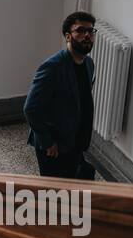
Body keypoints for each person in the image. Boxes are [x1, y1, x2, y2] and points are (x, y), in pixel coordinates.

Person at [23, 11, 97, 180]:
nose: (87, 35)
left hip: (75, 138)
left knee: (73, 180)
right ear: (68, 37)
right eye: (80, 31)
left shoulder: (89, 64)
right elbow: (30, 109)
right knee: (54, 190)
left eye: (91, 31)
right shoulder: (52, 67)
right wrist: (48, 142)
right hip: (54, 145)